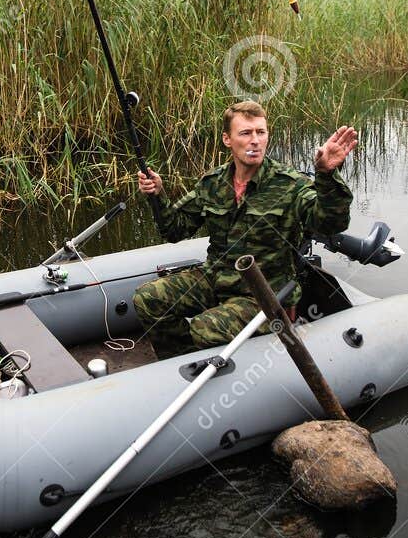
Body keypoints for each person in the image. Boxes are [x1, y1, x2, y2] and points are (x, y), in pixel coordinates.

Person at [132, 100, 357, 358]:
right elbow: (174, 230)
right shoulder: (213, 182)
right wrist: (158, 195)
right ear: (228, 139)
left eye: (261, 133)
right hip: (216, 278)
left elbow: (330, 223)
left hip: (265, 295)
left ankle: (204, 359)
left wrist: (326, 175)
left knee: (205, 329)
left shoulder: (290, 185)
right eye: (246, 133)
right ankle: (179, 361)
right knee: (147, 299)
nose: (255, 141)